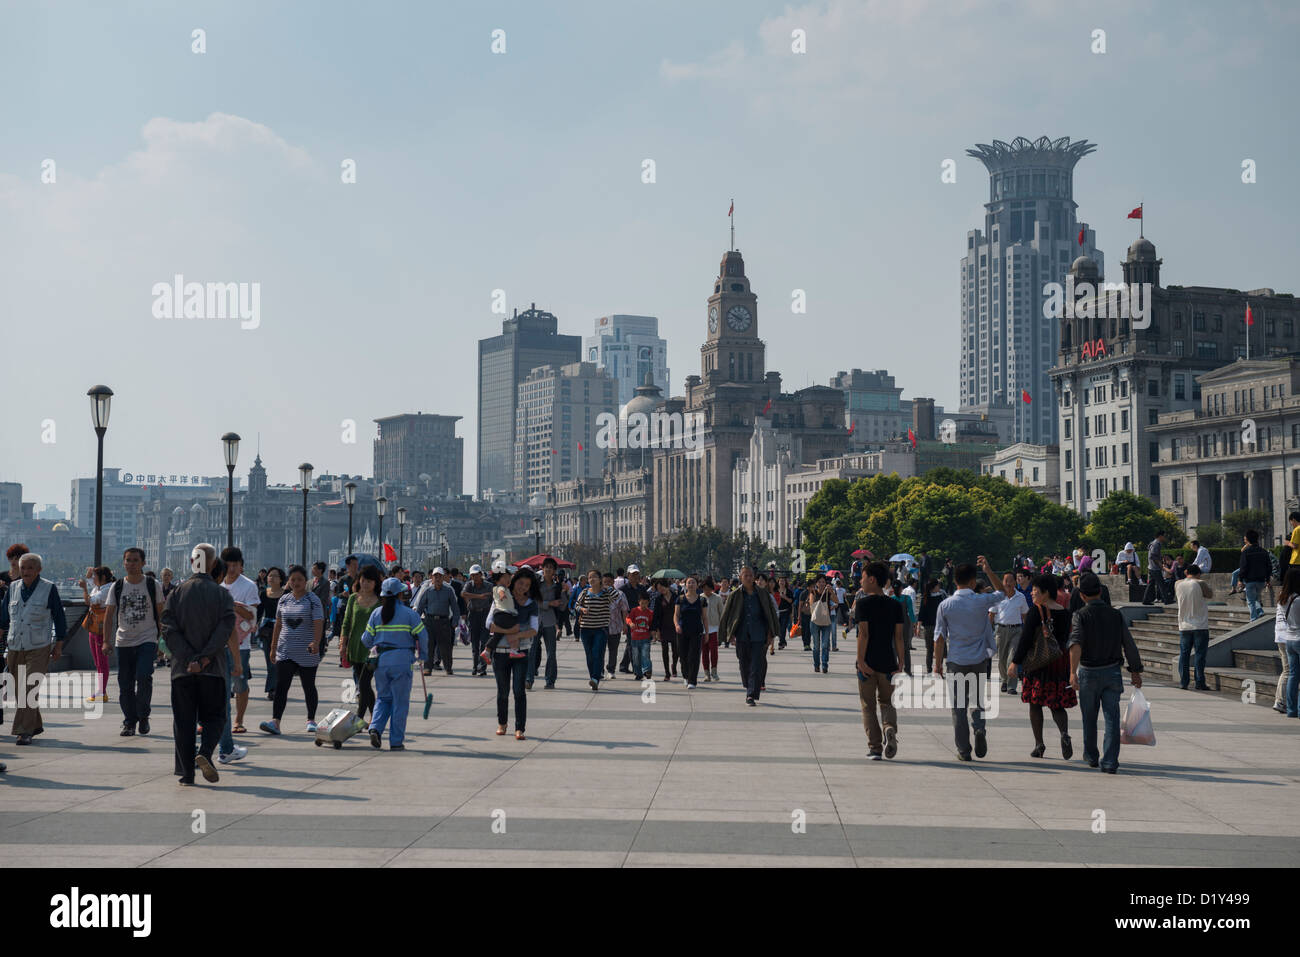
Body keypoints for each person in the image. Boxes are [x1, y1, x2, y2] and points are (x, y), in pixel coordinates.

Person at [164, 544, 236, 785]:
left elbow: (168, 631)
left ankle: (186, 773)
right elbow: (224, 630)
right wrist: (204, 658)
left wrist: (188, 659)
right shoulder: (222, 595)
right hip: (212, 670)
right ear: (215, 564)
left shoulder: (176, 594)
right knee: (215, 717)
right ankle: (204, 752)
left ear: (190, 562)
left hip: (182, 671)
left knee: (184, 721)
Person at [1067, 572, 1144, 773]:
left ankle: (1091, 755)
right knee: (1112, 717)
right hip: (1112, 672)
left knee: (1089, 717)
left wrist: (1072, 673)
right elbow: (1129, 644)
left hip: (1088, 671)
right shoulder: (1115, 614)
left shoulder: (1079, 615)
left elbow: (1075, 644)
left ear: (1082, 595)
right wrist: (1135, 671)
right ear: (1100, 592)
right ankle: (1110, 761)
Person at [934, 557, 1004, 761]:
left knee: (958, 707)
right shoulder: (981, 600)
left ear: (955, 581)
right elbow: (1004, 592)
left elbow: (939, 639)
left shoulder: (945, 605)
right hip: (979, 659)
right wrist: (989, 570)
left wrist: (937, 664)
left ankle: (964, 750)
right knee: (977, 700)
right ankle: (979, 728)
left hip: (956, 660)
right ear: (973, 582)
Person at [0, 552, 68, 745]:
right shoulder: (13, 587)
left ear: (39, 570)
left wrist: (58, 645)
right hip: (14, 645)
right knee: (18, 688)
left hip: (39, 645)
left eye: (30, 568)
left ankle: (24, 731)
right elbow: (4, 617)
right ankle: (35, 723)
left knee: (31, 686)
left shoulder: (49, 588)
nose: (26, 571)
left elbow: (59, 618)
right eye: (23, 568)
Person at [1008, 573, 1076, 759]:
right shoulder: (1064, 612)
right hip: (1058, 662)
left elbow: (1026, 639)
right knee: (1057, 704)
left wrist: (1016, 662)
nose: (1032, 594)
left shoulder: (1036, 611)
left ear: (1046, 592)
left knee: (1035, 704)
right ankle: (1064, 733)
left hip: (1038, 663)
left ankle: (1039, 744)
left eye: (1036, 591)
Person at [102, 547, 166, 737]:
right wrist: (106, 641)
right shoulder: (118, 586)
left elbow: (162, 614)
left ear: (143, 563)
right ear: (123, 563)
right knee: (125, 683)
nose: (131, 564)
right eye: (128, 560)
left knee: (144, 676)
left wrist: (163, 640)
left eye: (135, 560)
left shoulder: (152, 585)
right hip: (124, 641)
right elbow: (108, 616)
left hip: (147, 638)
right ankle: (129, 721)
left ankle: (143, 716)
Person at [360, 577, 428, 751]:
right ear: (400, 594)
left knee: (383, 698)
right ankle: (396, 741)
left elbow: (365, 639)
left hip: (381, 662)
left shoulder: (376, 614)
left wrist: (376, 646)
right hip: (402, 661)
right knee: (400, 702)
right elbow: (423, 637)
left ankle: (375, 727)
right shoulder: (409, 614)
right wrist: (423, 655)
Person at [259, 565, 324, 736]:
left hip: (307, 650)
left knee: (308, 686)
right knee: (281, 686)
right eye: (293, 580)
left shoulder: (313, 600)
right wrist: (273, 648)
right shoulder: (284, 599)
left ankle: (311, 719)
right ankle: (276, 722)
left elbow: (318, 623)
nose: (296, 583)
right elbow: (278, 625)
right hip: (285, 649)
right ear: (288, 581)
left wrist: (316, 642)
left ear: (305, 581)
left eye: (300, 580)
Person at [854, 562, 906, 760]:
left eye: (863, 577)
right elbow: (899, 637)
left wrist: (860, 660)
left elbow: (864, 634)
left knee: (868, 706)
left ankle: (875, 748)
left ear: (872, 580)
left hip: (868, 663)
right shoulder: (895, 605)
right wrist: (900, 663)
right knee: (887, 702)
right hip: (888, 664)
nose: (860, 580)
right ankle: (889, 727)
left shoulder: (863, 604)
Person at [488, 568, 539, 739]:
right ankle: (502, 723)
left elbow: (534, 630)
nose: (522, 587)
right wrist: (509, 631)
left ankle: (520, 728)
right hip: (501, 652)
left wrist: (516, 635)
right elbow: (489, 624)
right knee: (502, 691)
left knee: (519, 691)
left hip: (521, 652)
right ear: (513, 581)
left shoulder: (531, 604)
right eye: (520, 583)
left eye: (526, 585)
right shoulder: (502, 597)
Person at [213, 547, 254, 764]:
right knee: (222, 691)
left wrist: (234, 607)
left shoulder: (249, 585)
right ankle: (223, 738)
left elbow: (253, 615)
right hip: (220, 645)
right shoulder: (216, 585)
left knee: (239, 683)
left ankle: (238, 720)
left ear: (241, 565)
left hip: (241, 643)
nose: (232, 568)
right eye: (228, 564)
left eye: (236, 564)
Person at [717, 566, 778, 706]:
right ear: (740, 577)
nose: (749, 578)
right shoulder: (735, 595)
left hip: (759, 634)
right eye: (746, 575)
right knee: (744, 663)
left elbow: (770, 614)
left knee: (757, 664)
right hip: (742, 634)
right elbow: (726, 615)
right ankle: (748, 684)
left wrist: (771, 633)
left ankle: (751, 694)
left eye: (751, 575)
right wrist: (728, 634)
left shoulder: (762, 594)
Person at [341, 563, 383, 723]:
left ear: (375, 583)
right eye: (363, 580)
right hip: (355, 647)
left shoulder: (380, 601)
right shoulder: (353, 598)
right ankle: (368, 718)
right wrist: (343, 645)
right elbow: (346, 623)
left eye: (370, 581)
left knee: (364, 683)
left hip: (373, 650)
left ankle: (364, 718)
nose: (366, 583)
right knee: (362, 684)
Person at [415, 567, 460, 677]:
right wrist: (415, 622)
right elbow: (420, 607)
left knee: (445, 647)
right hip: (429, 621)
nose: (438, 578)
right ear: (432, 577)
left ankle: (448, 668)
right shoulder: (427, 591)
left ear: (443, 577)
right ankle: (427, 668)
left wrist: (455, 621)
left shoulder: (448, 590)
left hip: (444, 622)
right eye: (436, 576)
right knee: (428, 646)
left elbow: (455, 607)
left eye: (440, 576)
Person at [1174, 563, 1213, 691]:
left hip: (1184, 625)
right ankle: (1199, 681)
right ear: (1198, 574)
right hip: (1200, 625)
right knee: (1200, 655)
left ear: (1186, 573)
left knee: (1184, 655)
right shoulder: (1200, 583)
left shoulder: (1178, 584)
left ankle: (1183, 682)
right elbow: (1210, 594)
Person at [574, 569, 614, 690]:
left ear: (600, 579)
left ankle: (595, 678)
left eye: (594, 577)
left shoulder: (606, 592)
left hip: (600, 629)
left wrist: (606, 587)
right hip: (586, 629)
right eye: (589, 577)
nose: (591, 579)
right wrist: (582, 609)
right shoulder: (585, 592)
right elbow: (576, 605)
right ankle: (593, 678)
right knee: (589, 655)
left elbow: (616, 597)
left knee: (598, 653)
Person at [80, 566, 113, 703]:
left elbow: (89, 601)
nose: (93, 579)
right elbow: (93, 585)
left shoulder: (107, 590)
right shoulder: (100, 587)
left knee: (102, 662)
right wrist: (89, 577)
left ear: (103, 578)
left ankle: (102, 691)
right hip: (94, 627)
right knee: (97, 661)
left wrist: (84, 589)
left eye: (95, 576)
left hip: (100, 628)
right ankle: (101, 690)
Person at [992, 572, 1028, 695]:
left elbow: (1025, 616)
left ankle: (1012, 685)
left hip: (1016, 630)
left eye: (1010, 580)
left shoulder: (1021, 597)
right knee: (1001, 658)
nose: (1008, 583)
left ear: (1015, 582)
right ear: (1002, 582)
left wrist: (1027, 632)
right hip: (1001, 631)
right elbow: (991, 615)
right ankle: (1004, 680)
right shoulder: (997, 597)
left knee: (1012, 658)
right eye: (1005, 580)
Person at [532, 557, 562, 689]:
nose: (548, 569)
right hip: (535, 621)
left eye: (551, 567)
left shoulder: (557, 586)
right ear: (542, 569)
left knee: (551, 653)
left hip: (550, 621)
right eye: (546, 567)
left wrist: (566, 592)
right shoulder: (537, 584)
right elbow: (532, 601)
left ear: (555, 570)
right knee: (531, 651)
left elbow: (562, 606)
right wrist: (548, 603)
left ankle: (550, 680)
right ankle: (528, 678)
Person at [674, 575, 707, 689]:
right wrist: (677, 625)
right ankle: (686, 676)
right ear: (685, 585)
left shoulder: (702, 600)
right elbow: (676, 615)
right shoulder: (680, 599)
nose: (691, 585)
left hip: (696, 631)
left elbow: (704, 618)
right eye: (689, 583)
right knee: (683, 656)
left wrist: (706, 633)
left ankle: (692, 680)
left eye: (693, 583)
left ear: (697, 585)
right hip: (682, 631)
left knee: (694, 656)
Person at [1276, 568, 1300, 719]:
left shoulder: (1283, 598)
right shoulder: (1298, 600)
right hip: (1299, 637)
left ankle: (1291, 710)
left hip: (1289, 639)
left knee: (1293, 675)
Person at [257, 567, 284, 700]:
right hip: (267, 631)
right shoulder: (263, 593)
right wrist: (253, 625)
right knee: (270, 661)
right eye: (269, 576)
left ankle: (276, 688)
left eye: (275, 576)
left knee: (279, 662)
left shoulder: (286, 594)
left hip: (283, 630)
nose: (271, 578)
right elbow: (258, 612)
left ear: (281, 579)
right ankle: (272, 688)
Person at [462, 565, 493, 675]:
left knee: (484, 642)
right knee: (474, 643)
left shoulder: (489, 585)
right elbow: (463, 593)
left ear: (481, 574)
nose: (475, 577)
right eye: (473, 575)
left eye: (477, 574)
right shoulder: (469, 585)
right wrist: (479, 596)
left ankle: (482, 667)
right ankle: (475, 666)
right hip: (474, 614)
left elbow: (494, 597)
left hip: (485, 614)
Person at [1237, 530, 1272, 622]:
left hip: (1250, 580)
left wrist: (1240, 579)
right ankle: (1260, 611)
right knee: (1255, 597)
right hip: (1261, 581)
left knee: (1250, 601)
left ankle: (1253, 619)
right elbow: (1269, 567)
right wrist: (1268, 580)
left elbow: (1243, 567)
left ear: (1248, 540)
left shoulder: (1246, 552)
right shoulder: (1264, 552)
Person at [805, 576, 836, 674]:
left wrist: (832, 591)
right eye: (819, 582)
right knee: (816, 646)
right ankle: (816, 665)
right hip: (815, 621)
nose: (822, 584)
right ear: (816, 583)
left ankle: (825, 665)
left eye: (823, 582)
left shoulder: (828, 592)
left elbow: (837, 601)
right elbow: (812, 605)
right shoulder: (813, 592)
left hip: (826, 621)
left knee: (825, 644)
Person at [604, 571, 629, 680]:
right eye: (605, 582)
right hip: (601, 627)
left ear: (613, 581)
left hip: (615, 627)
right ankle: (599, 670)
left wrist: (625, 625)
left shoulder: (620, 594)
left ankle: (611, 670)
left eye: (609, 582)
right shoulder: (599, 594)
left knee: (613, 650)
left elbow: (624, 611)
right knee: (600, 650)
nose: (607, 584)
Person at [917, 578, 946, 675]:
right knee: (940, 649)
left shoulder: (925, 598)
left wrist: (918, 626)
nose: (939, 587)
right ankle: (939, 668)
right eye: (938, 585)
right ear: (934, 587)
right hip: (939, 627)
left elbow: (921, 614)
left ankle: (929, 670)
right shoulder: (940, 598)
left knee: (929, 650)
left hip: (928, 627)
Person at [625, 592, 654, 680]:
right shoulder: (634, 610)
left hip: (645, 637)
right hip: (635, 638)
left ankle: (647, 670)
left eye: (646, 603)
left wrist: (653, 633)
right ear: (639, 602)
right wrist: (630, 623)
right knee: (636, 657)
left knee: (645, 655)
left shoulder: (650, 613)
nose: (644, 605)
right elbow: (628, 618)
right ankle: (638, 673)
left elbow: (652, 624)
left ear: (648, 603)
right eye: (642, 603)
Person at [701, 577, 724, 682]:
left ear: (712, 588)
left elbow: (721, 613)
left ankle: (714, 672)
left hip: (714, 628)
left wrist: (721, 628)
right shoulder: (700, 598)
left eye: (708, 588)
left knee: (714, 651)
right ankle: (706, 673)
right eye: (704, 588)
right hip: (702, 629)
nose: (706, 590)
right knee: (704, 651)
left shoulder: (717, 598)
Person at [1142, 532, 1168, 605]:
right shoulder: (1156, 544)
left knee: (1151, 584)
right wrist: (1160, 564)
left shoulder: (1155, 543)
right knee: (1161, 583)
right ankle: (1166, 600)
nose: (1164, 538)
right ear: (1160, 536)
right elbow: (1152, 556)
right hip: (1155, 568)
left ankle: (1146, 600)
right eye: (1164, 536)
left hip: (1152, 567)